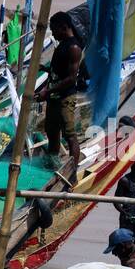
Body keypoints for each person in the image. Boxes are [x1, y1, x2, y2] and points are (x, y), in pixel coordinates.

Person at [38, 11, 84, 165]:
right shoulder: (62, 45)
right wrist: (44, 69)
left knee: (69, 135)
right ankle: (52, 164)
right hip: (53, 97)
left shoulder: (74, 47)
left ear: (64, 28)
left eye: (54, 30)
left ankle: (72, 171)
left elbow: (71, 78)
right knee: (52, 133)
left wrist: (47, 91)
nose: (53, 34)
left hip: (65, 97)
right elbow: (58, 71)